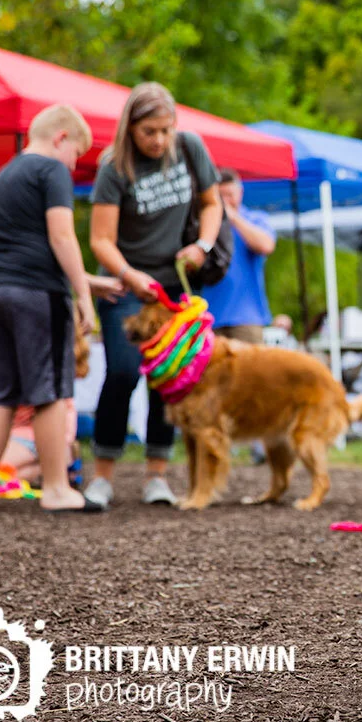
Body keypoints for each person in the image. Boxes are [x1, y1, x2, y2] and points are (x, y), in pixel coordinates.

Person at [86, 82, 223, 508]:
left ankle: (157, 476)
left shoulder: (190, 148)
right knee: (124, 373)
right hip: (126, 285)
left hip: (176, 284)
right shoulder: (114, 168)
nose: (159, 140)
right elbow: (100, 240)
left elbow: (212, 203)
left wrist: (202, 246)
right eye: (150, 132)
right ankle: (103, 477)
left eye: (166, 130)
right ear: (131, 128)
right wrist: (130, 274)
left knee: (171, 377)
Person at [0, 104, 103, 513]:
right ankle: (58, 489)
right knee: (50, 391)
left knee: (0, 393)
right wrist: (83, 296)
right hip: (39, 294)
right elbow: (61, 237)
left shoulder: (6, 174)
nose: (74, 165)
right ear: (60, 137)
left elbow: (25, 241)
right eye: (76, 153)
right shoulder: (51, 170)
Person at [200, 168, 276, 344]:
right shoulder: (205, 223)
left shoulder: (255, 219)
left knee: (251, 370)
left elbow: (265, 245)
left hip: (247, 318)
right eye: (221, 195)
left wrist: (233, 218)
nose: (226, 201)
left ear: (240, 192)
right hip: (209, 316)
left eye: (230, 195)